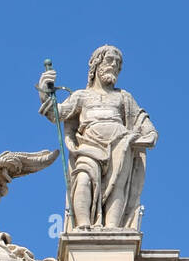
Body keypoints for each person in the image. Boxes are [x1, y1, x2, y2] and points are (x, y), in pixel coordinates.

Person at [37, 46, 157, 229]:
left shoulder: (124, 97)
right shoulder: (81, 96)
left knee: (117, 185)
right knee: (83, 178)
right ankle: (83, 226)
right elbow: (56, 114)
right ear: (96, 64)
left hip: (120, 144)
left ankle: (112, 230)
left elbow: (141, 120)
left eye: (118, 63)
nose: (114, 65)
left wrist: (149, 134)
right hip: (88, 145)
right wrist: (45, 92)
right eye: (110, 60)